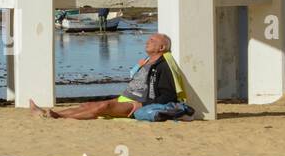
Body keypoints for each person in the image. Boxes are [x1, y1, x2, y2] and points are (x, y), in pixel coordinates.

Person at [29, 33, 191, 120]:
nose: (147, 41)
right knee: (89, 104)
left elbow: (168, 95)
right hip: (126, 98)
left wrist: (143, 105)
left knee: (102, 108)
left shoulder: (163, 66)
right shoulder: (147, 61)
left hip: (137, 104)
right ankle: (49, 112)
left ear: (161, 47)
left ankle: (56, 116)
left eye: (152, 40)